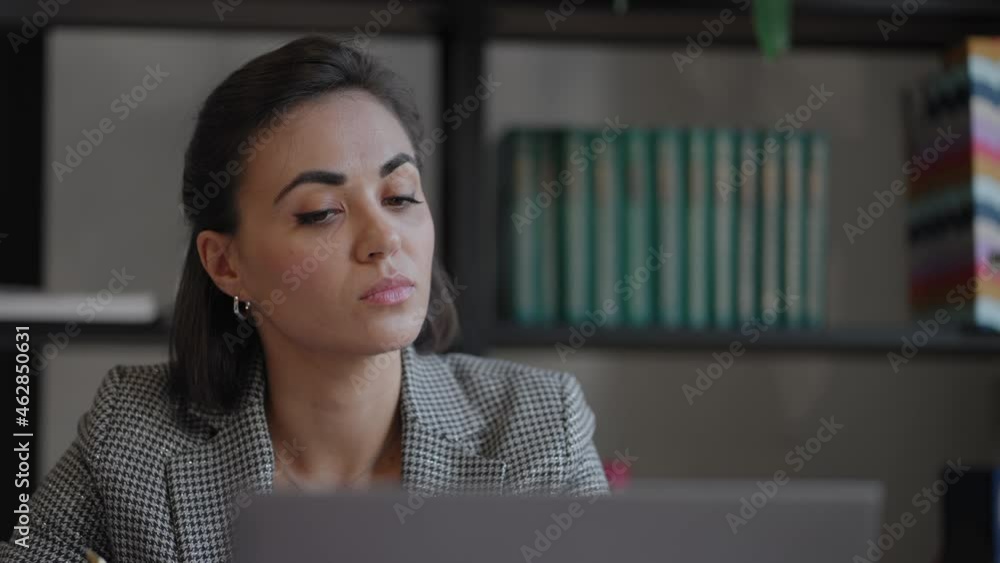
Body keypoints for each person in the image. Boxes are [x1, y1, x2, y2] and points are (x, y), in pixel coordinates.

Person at [0, 35, 609, 562]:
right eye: (321, 213)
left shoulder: (535, 427)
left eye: (399, 196)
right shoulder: (135, 429)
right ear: (226, 263)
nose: (383, 239)